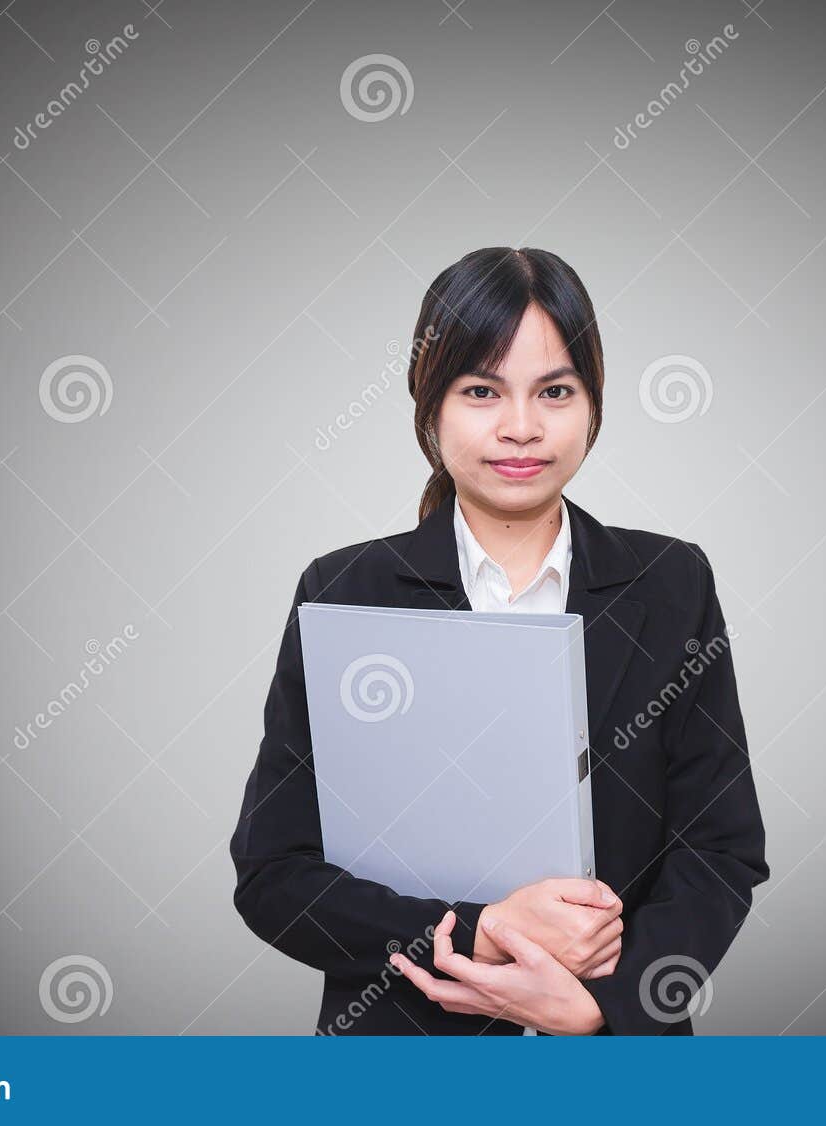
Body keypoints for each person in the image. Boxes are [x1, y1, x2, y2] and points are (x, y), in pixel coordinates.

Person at [229, 246, 768, 1035]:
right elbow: (275, 877)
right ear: (430, 404)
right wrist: (482, 932)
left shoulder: (671, 583)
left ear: (593, 404)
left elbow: (719, 849)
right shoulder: (344, 592)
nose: (521, 427)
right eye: (481, 391)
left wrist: (600, 1010)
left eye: (554, 390)